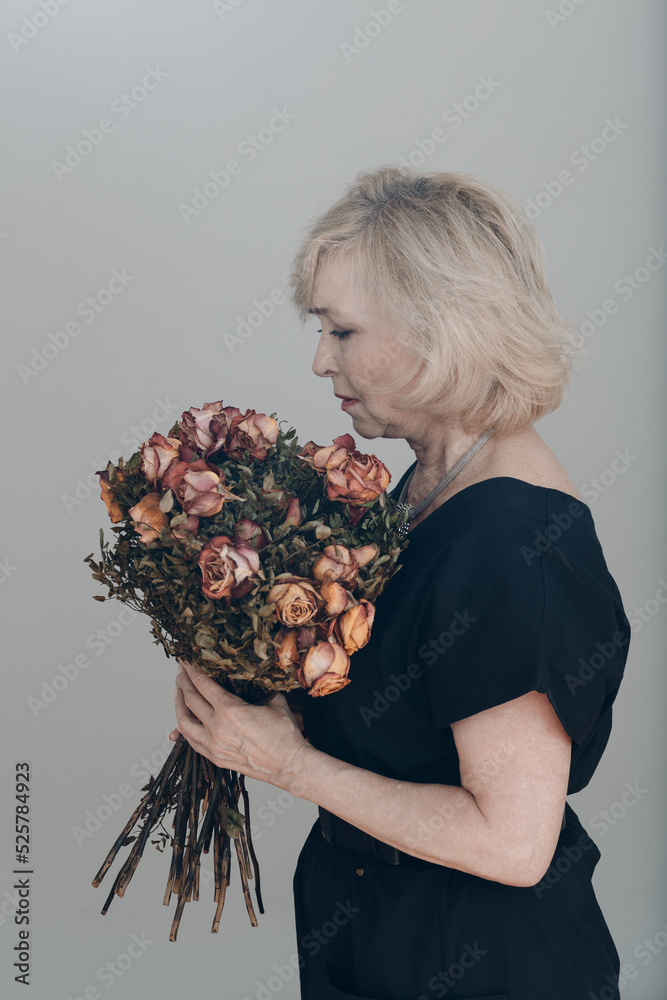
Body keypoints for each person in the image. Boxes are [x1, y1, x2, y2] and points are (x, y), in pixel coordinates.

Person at [170, 167, 631, 1000]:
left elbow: (512, 844)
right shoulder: (420, 491)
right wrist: (255, 680)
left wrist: (283, 762)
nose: (319, 361)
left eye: (340, 330)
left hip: (480, 966)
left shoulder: (509, 543)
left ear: (438, 329)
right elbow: (407, 714)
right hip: (380, 939)